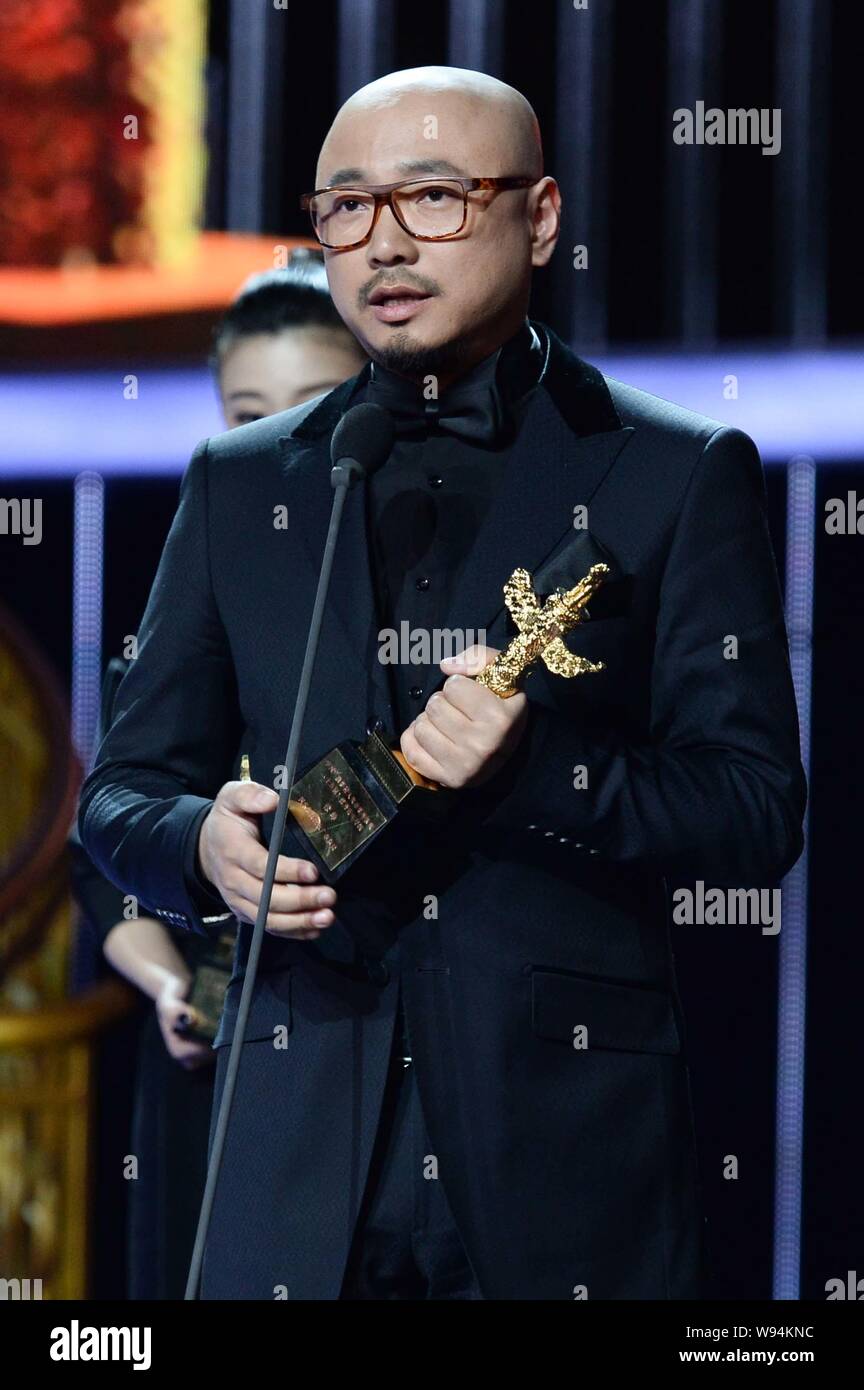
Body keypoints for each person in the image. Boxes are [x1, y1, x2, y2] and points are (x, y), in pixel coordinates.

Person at [79, 67, 806, 1300]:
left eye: (435, 197)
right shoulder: (240, 481)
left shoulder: (674, 472)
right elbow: (121, 798)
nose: (386, 243)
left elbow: (753, 813)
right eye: (347, 208)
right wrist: (205, 844)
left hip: (564, 1167)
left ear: (540, 218)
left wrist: (540, 770)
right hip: (293, 1146)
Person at [70, 250, 366, 1299]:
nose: (279, 439)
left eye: (315, 403)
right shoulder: (186, 629)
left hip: (369, 1061)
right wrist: (170, 990)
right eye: (248, 410)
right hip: (220, 1061)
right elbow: (104, 860)